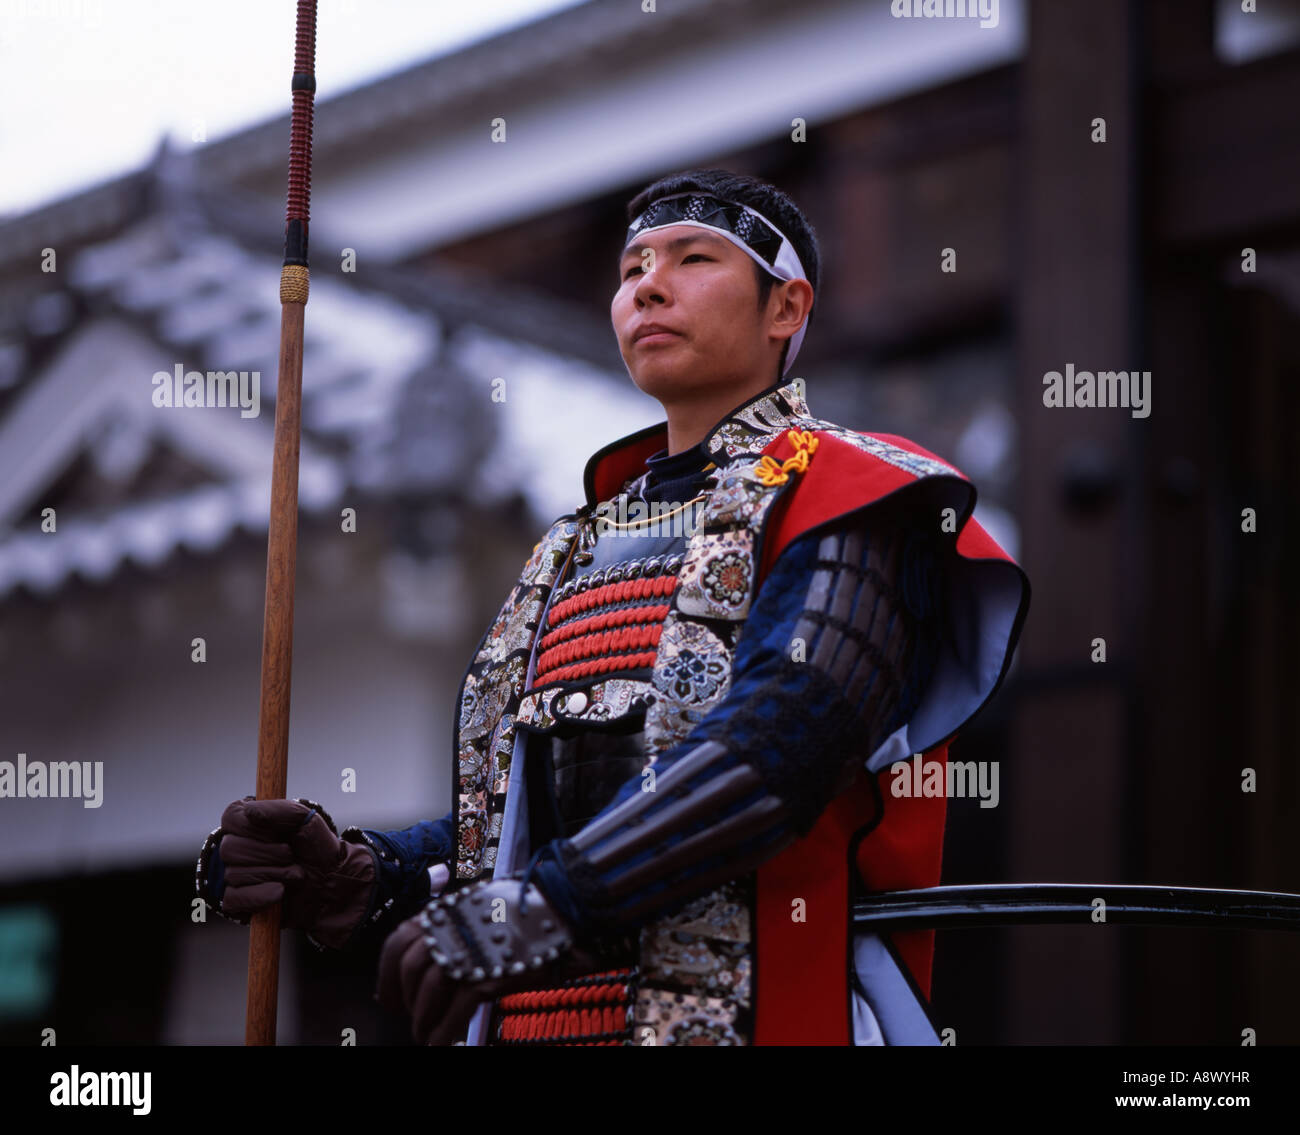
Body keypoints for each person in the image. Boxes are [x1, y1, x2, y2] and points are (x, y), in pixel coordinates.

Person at [196, 168, 1029, 1046]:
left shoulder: (853, 493)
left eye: (693, 258)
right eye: (631, 269)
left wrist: (550, 903)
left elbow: (780, 747)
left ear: (786, 308)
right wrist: (367, 875)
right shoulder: (577, 540)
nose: (649, 286)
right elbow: (528, 816)